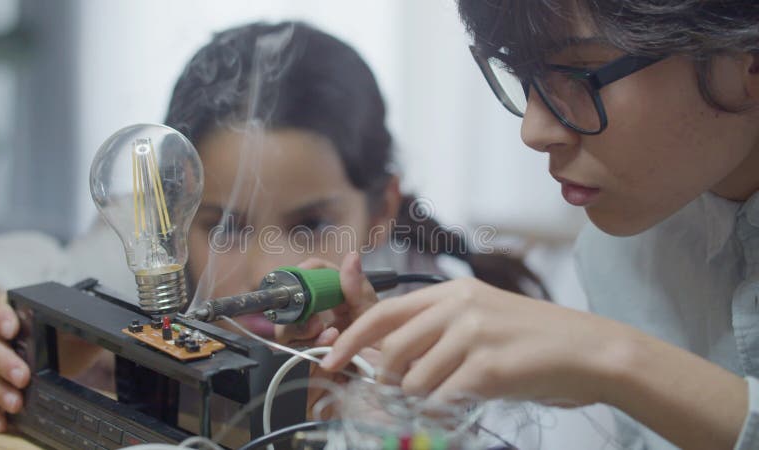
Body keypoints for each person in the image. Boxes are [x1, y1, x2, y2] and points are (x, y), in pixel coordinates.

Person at [0, 21, 544, 435]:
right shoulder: (150, 274)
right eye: (226, 229)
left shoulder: (423, 313)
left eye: (313, 224)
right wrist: (14, 350)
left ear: (381, 213)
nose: (271, 271)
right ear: (173, 214)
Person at [321, 2, 759, 450]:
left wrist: (616, 360)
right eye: (521, 73)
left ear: (749, 58)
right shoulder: (617, 256)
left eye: (580, 72)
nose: (533, 130)